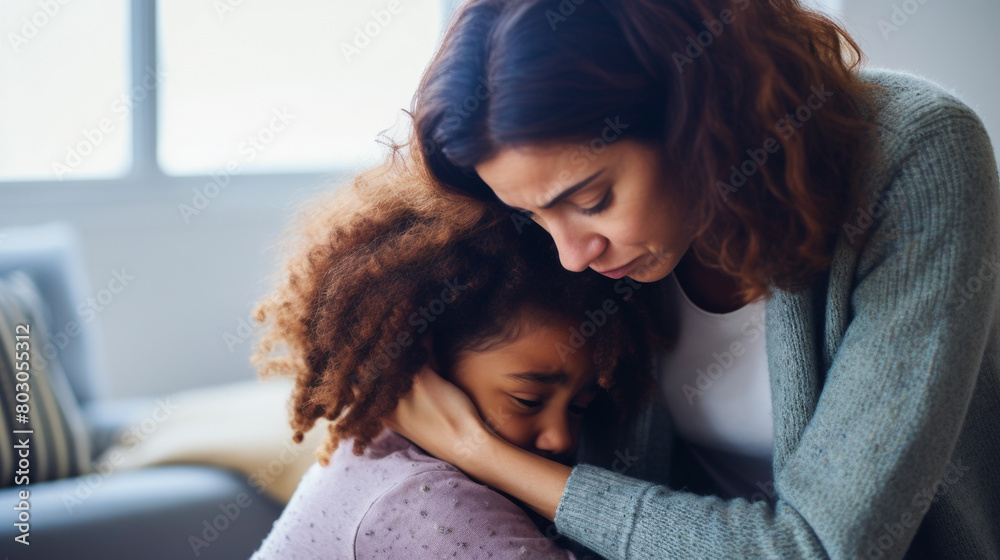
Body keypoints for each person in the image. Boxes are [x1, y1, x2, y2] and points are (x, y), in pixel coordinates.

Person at [385, 0, 1000, 558]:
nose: (570, 256)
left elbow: (818, 550)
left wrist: (482, 454)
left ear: (698, 116)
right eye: (532, 216)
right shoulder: (577, 255)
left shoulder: (915, 155)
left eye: (593, 200)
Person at [248, 158, 666, 559]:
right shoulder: (425, 502)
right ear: (421, 363)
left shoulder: (387, 455)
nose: (561, 439)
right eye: (528, 400)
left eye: (578, 407)